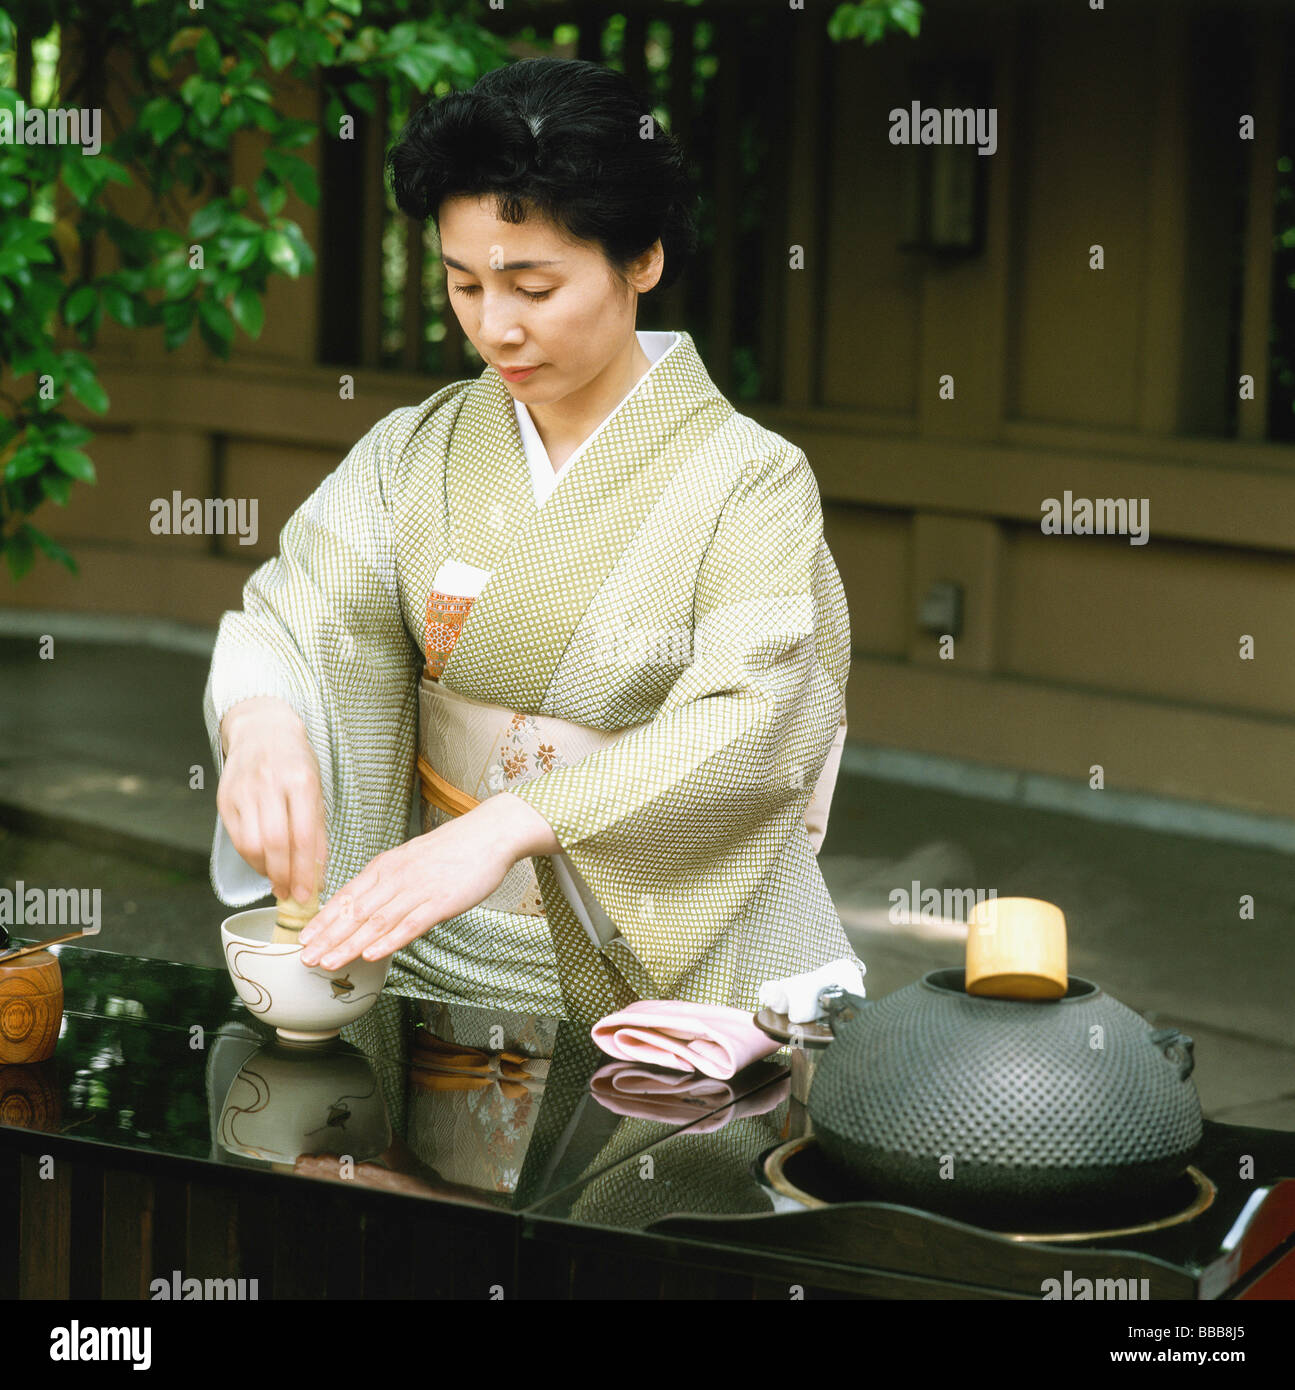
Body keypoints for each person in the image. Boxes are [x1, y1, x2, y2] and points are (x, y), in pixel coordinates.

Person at [205, 56, 856, 1027]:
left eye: (532, 286)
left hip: (659, 980)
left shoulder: (748, 479)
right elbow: (296, 614)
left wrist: (512, 824)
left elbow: (750, 720)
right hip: (422, 944)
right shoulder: (414, 450)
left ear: (641, 259)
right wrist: (260, 722)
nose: (494, 327)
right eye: (463, 286)